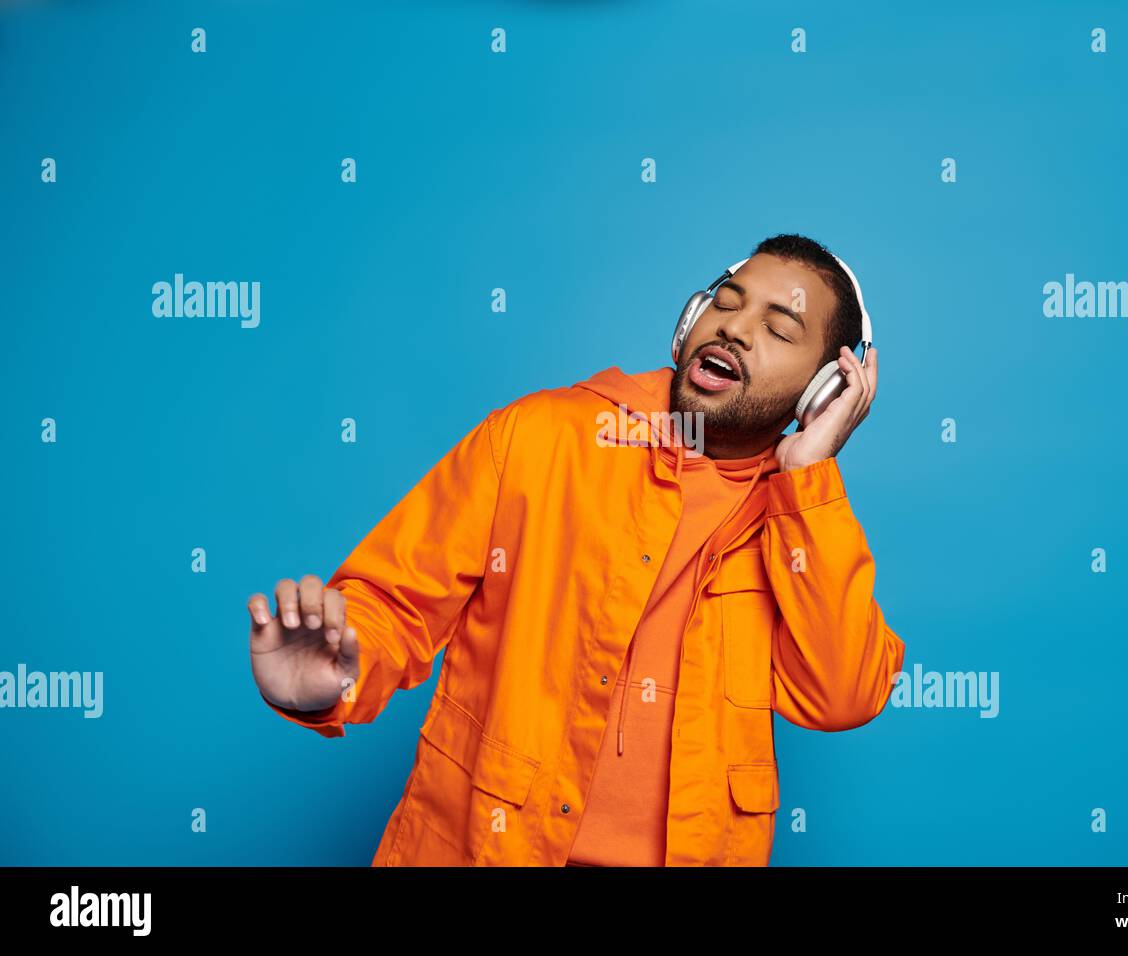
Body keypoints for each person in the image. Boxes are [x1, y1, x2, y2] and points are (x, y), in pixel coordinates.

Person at [247, 233, 905, 867]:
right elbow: (394, 602)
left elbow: (842, 695)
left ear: (822, 389)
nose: (733, 328)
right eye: (725, 302)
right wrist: (331, 679)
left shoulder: (798, 518)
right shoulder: (539, 439)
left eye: (779, 329)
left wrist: (809, 480)